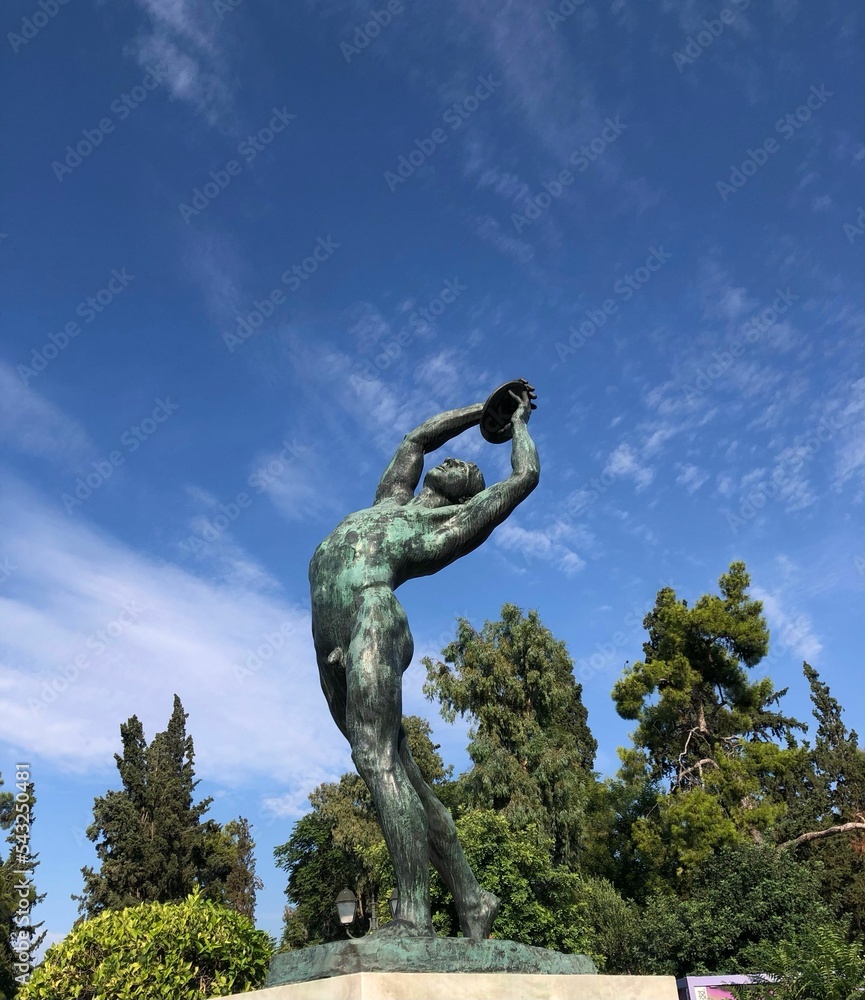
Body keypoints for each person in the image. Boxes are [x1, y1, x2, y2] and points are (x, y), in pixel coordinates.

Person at [308, 387, 538, 937]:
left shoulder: (448, 525)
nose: (459, 462)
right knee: (399, 771)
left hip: (372, 620)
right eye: (456, 460)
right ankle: (473, 898)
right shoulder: (389, 502)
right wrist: (483, 413)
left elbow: (523, 479)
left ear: (465, 496)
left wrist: (522, 424)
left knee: (376, 761)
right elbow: (417, 438)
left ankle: (413, 914)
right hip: (329, 641)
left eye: (468, 471)